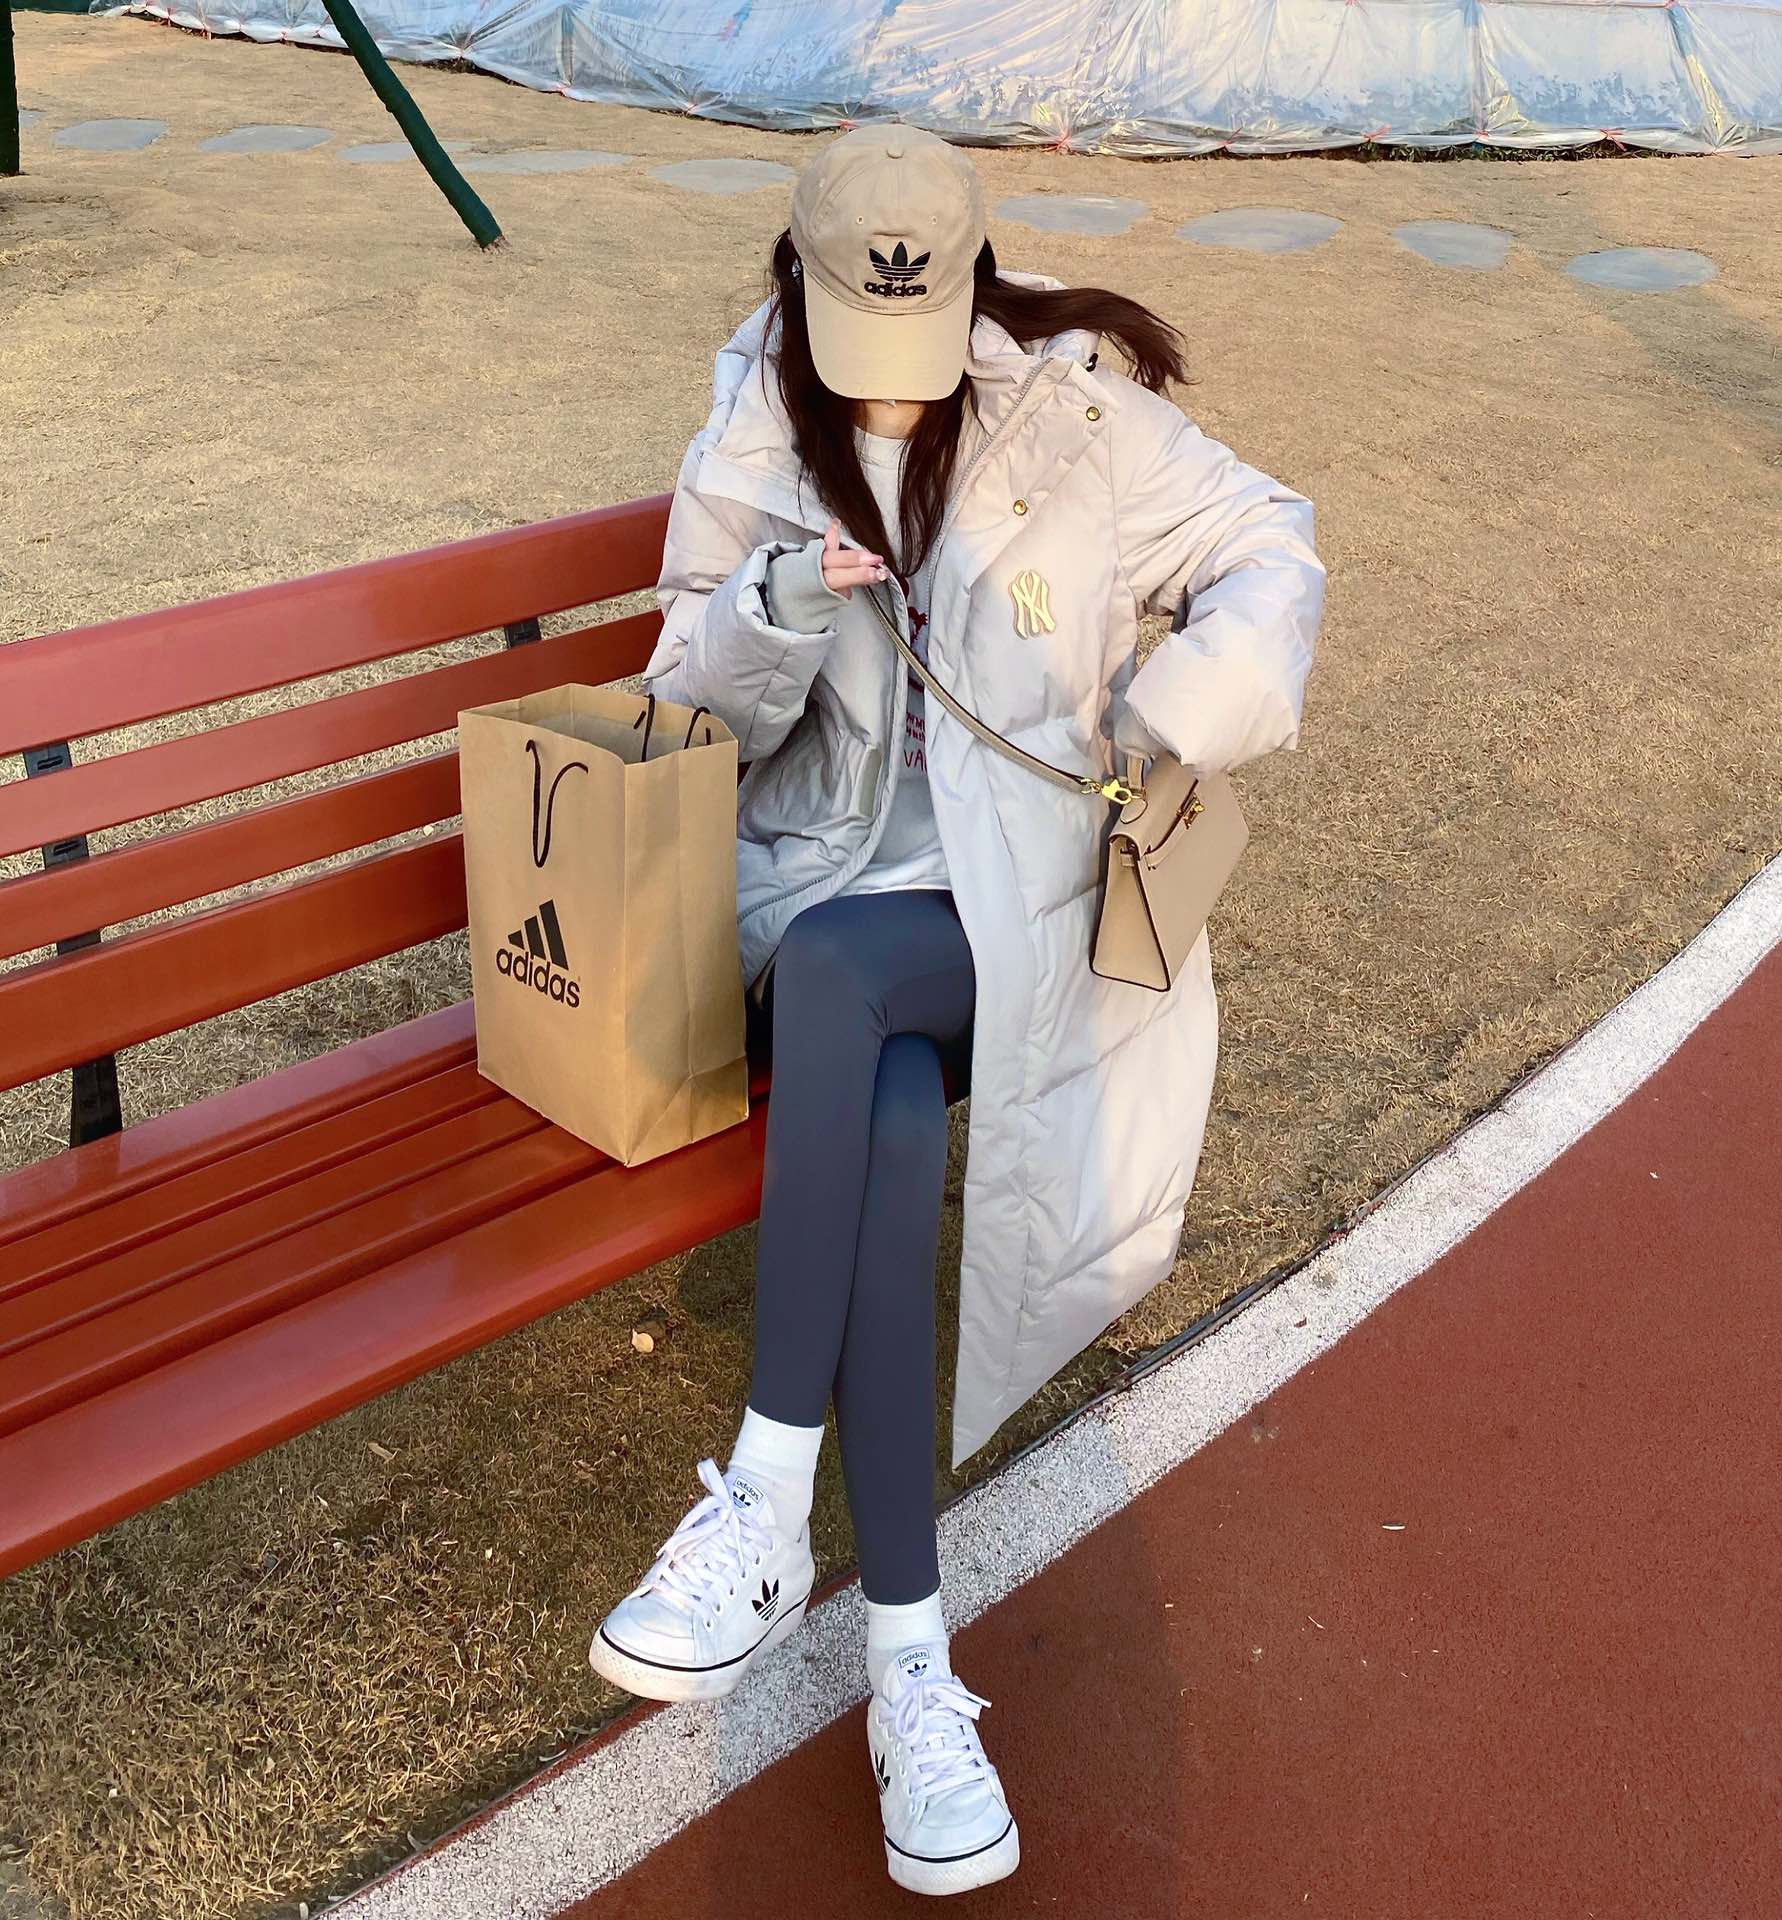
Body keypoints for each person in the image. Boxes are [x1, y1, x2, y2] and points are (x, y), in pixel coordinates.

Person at [589, 122, 1325, 1896]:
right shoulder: (755, 419)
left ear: (974, 287)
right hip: (821, 890)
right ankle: (910, 1661)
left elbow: (1272, 546)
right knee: (882, 1091)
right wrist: (770, 603)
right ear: (800, 286)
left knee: (855, 993)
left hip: (1026, 911)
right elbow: (683, 693)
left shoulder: (1073, 417)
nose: (891, 384)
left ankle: (769, 1492)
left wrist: (1173, 704)